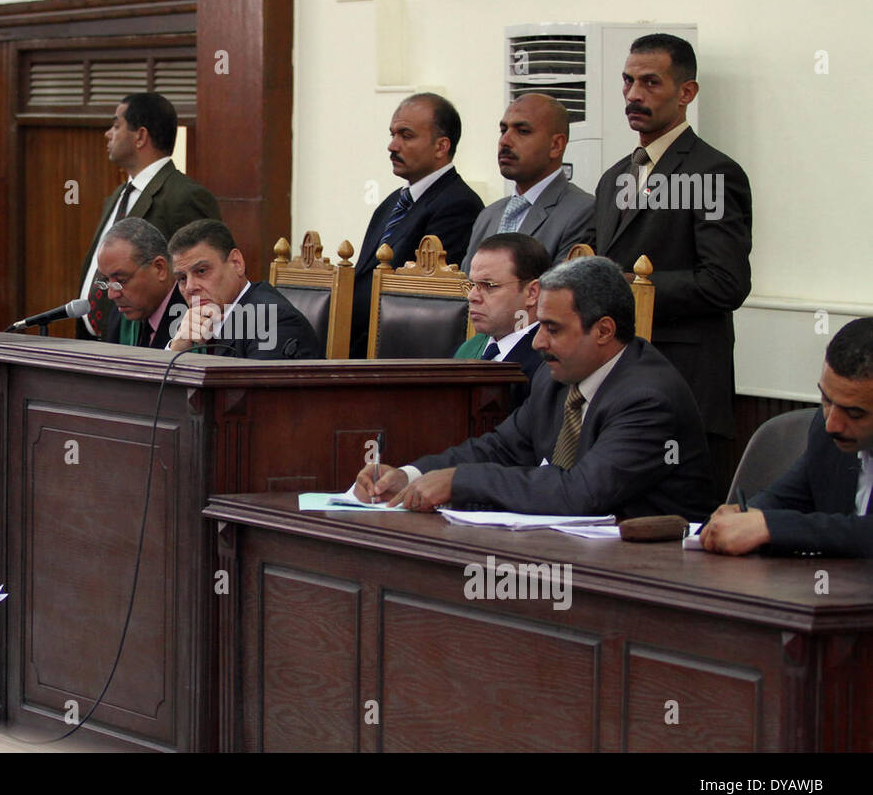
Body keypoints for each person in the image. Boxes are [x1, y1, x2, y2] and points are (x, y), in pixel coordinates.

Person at [353, 256, 715, 520]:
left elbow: (582, 493)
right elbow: (502, 447)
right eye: (539, 325)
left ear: (604, 331)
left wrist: (461, 482)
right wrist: (411, 475)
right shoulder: (555, 376)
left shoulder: (648, 398)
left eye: (553, 329)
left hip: (655, 572)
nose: (538, 342)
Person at [588, 34, 752, 493]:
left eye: (650, 82)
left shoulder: (713, 172)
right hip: (616, 381)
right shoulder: (613, 177)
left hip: (684, 385)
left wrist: (632, 290)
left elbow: (726, 282)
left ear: (686, 93)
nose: (633, 95)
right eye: (627, 81)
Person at [700, 318, 873, 557]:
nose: (832, 424)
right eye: (826, 400)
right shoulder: (824, 432)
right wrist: (745, 516)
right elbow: (784, 497)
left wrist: (770, 527)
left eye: (854, 413)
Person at [350, 93, 483, 358]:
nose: (392, 146)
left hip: (401, 355)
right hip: (356, 348)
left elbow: (427, 299)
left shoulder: (457, 205)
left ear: (441, 147)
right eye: (392, 135)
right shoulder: (391, 203)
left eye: (406, 136)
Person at [78, 93, 220, 339]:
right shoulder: (118, 195)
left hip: (150, 342)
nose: (107, 134)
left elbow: (206, 279)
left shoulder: (184, 196)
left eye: (116, 125)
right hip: (98, 339)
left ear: (140, 136)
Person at [460, 94, 593, 274]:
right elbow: (465, 289)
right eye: (503, 130)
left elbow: (559, 294)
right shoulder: (488, 215)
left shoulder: (581, 212)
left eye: (522, 131)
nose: (505, 141)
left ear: (556, 145)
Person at [167, 219, 321, 360]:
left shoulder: (274, 322)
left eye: (201, 271)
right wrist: (176, 349)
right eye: (182, 278)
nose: (190, 287)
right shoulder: (196, 322)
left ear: (236, 263)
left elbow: (250, 390)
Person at [454, 233, 551, 409]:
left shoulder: (549, 360)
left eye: (488, 285)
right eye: (472, 285)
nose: (472, 296)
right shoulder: (469, 349)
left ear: (532, 293)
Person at [97, 218, 186, 349]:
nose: (111, 294)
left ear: (159, 268)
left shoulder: (193, 317)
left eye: (121, 280)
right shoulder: (119, 317)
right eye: (106, 280)